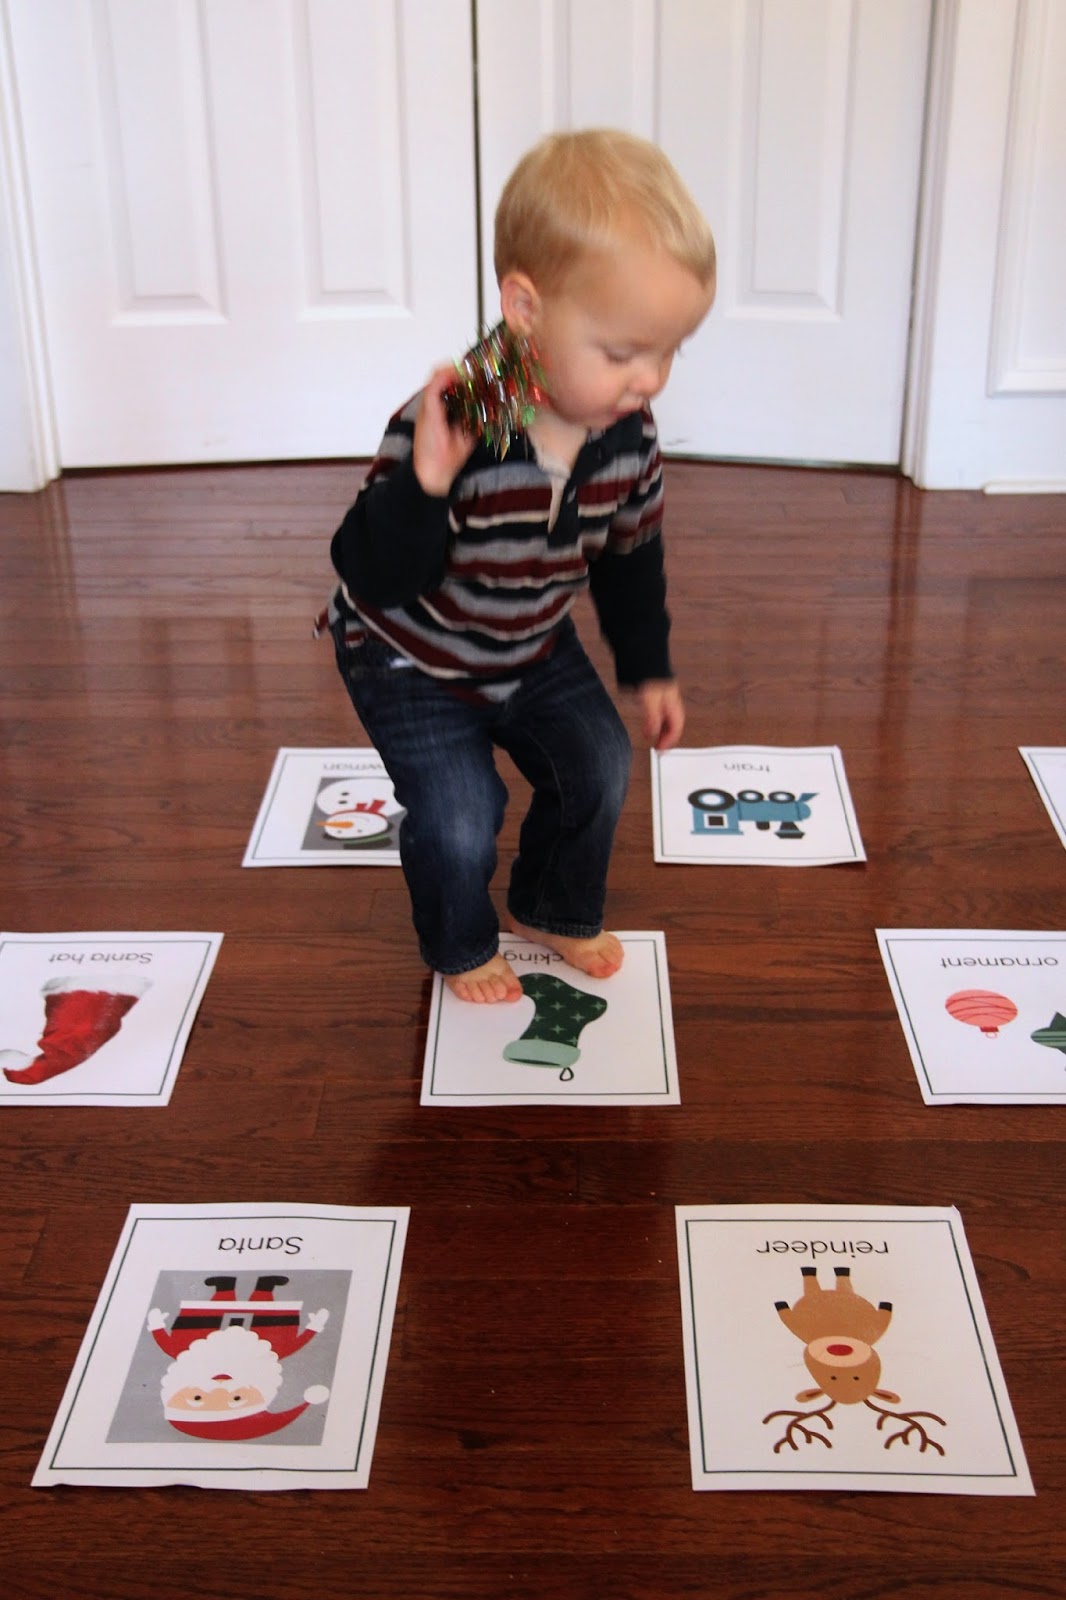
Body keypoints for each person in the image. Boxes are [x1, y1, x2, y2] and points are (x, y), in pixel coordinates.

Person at [325, 129, 716, 1003]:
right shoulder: (454, 419)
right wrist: (426, 485)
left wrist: (649, 667)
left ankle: (550, 905)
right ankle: (460, 942)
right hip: (410, 651)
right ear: (526, 310)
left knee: (598, 761)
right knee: (460, 814)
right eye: (622, 353)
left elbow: (631, 555)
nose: (650, 379)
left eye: (669, 351)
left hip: (526, 637)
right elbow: (368, 569)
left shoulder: (625, 429)